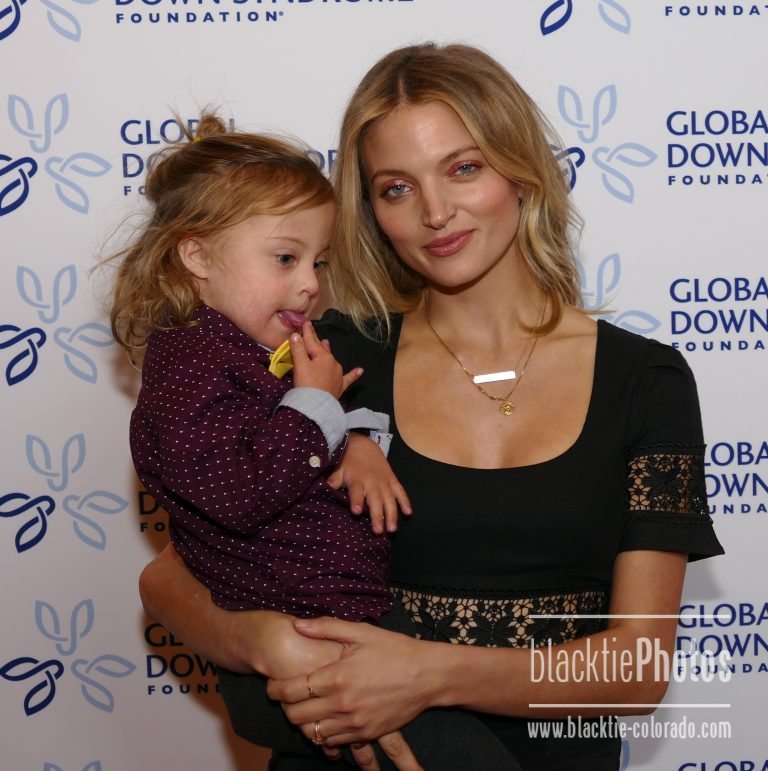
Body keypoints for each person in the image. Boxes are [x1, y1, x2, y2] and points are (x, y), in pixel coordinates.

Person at [138, 44, 724, 771]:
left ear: (521, 168)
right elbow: (169, 577)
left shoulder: (645, 380)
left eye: (464, 167)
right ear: (370, 211)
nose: (435, 211)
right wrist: (263, 642)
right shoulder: (329, 361)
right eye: (395, 188)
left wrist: (428, 673)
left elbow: (636, 669)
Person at [109, 114, 523, 770]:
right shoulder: (191, 366)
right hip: (311, 637)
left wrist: (353, 437)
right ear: (196, 255)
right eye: (285, 258)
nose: (309, 282)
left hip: (348, 625)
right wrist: (268, 642)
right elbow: (237, 495)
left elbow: (294, 439)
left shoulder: (253, 354)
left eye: (317, 261)